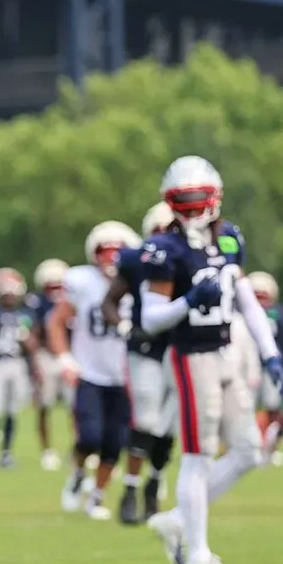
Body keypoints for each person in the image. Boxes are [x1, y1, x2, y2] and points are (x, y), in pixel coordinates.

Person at [141, 155, 283, 564]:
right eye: (181, 202)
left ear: (215, 198)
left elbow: (243, 297)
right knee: (197, 456)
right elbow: (151, 318)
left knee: (248, 451)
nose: (190, 210)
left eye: (196, 200)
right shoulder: (165, 249)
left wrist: (269, 351)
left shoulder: (228, 239)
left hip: (226, 354)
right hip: (191, 358)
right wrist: (187, 302)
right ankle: (199, 558)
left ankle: (178, 520)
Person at [48, 221, 141, 521]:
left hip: (125, 375)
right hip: (89, 371)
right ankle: (77, 472)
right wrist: (65, 358)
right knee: (89, 437)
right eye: (105, 251)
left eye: (118, 251)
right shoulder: (81, 280)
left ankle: (97, 496)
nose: (111, 258)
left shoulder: (140, 281)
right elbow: (56, 321)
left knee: (114, 444)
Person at [101, 202, 178, 523]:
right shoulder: (136, 260)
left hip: (179, 349)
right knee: (146, 421)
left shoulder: (190, 257)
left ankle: (154, 483)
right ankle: (131, 490)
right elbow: (109, 301)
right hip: (145, 346)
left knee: (168, 426)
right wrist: (123, 327)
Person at [0, 268, 39, 468]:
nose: (9, 296)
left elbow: (32, 344)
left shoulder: (25, 313)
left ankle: (6, 452)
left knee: (12, 410)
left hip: (17, 363)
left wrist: (25, 338)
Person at [244, 272, 283, 465]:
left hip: (271, 366)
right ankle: (247, 445)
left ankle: (269, 447)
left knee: (274, 407)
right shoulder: (242, 312)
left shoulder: (276, 313)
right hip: (250, 365)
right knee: (246, 407)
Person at [30, 259, 71, 471]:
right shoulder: (38, 304)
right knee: (45, 405)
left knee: (76, 407)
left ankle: (79, 449)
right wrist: (35, 361)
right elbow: (35, 333)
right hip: (47, 355)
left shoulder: (72, 300)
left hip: (69, 355)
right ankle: (47, 451)